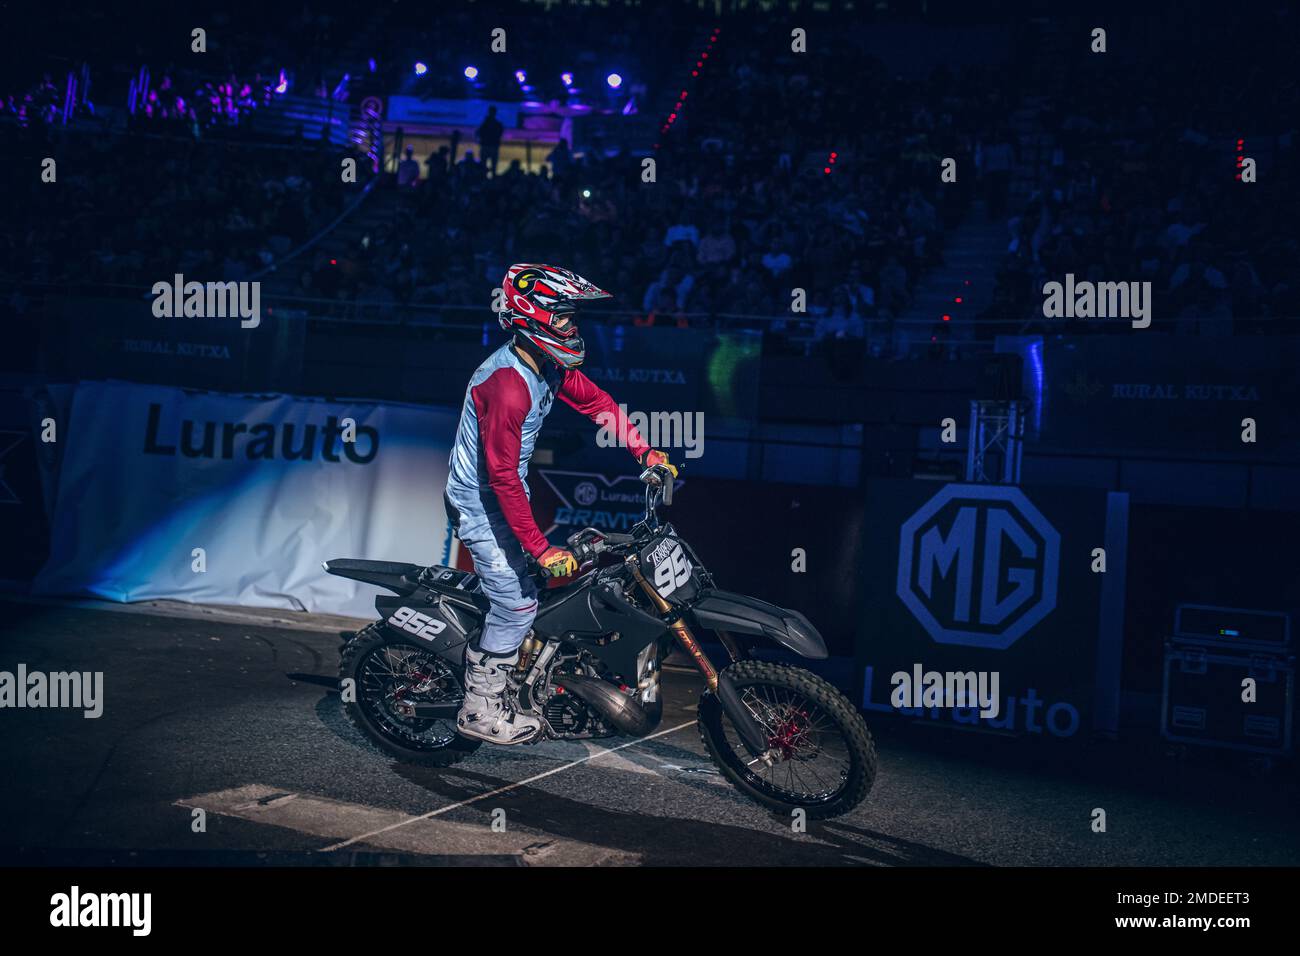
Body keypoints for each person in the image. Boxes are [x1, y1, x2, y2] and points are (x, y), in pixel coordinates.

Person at [445, 263, 678, 743]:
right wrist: (540, 547)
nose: (571, 326)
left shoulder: (544, 368)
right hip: (479, 500)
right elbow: (502, 474)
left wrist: (643, 450)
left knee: (546, 589)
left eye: (572, 316)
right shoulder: (507, 386)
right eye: (562, 316)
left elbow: (598, 404)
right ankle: (478, 708)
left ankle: (520, 671)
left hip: (506, 493)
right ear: (531, 317)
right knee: (515, 603)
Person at [476, 105, 504, 177]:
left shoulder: (491, 123)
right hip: (489, 146)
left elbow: (479, 132)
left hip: (490, 146)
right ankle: (485, 176)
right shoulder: (487, 123)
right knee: (485, 164)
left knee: (490, 165)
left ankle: (489, 176)